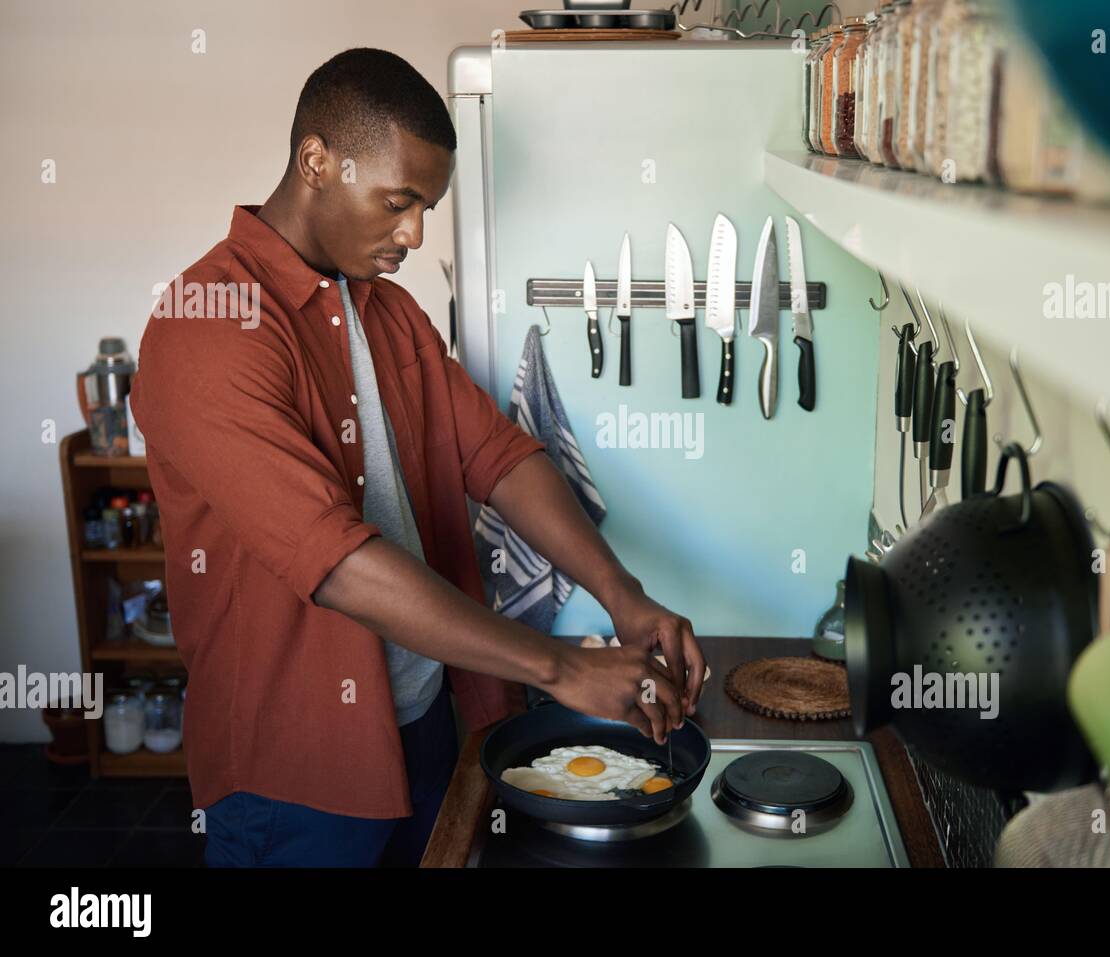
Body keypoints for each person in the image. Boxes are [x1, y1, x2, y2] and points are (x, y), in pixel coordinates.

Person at [130, 47, 706, 868]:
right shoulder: (206, 323)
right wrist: (560, 666)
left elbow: (498, 454)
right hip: (295, 773)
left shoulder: (389, 311)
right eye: (398, 202)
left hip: (431, 719)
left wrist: (624, 596)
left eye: (427, 207)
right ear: (317, 161)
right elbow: (330, 558)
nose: (414, 233)